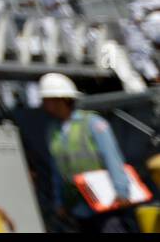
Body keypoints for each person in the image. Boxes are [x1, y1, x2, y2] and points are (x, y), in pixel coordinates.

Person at [38, 73, 137, 233]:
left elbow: (112, 157)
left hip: (105, 201)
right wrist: (60, 202)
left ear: (60, 99)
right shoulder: (53, 131)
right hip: (78, 205)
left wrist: (122, 192)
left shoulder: (92, 123)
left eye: (46, 100)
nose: (43, 105)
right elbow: (57, 169)